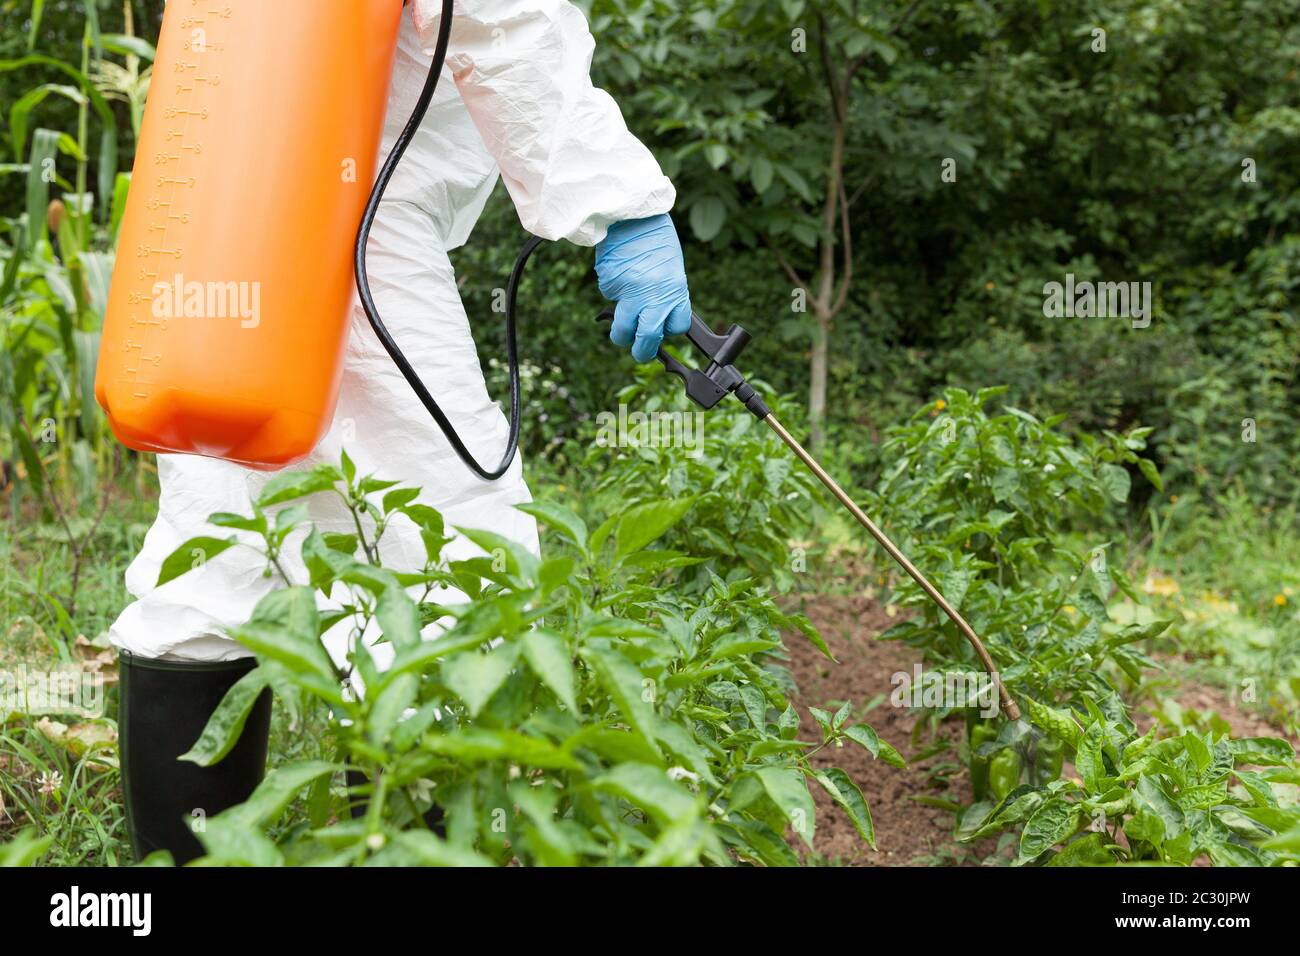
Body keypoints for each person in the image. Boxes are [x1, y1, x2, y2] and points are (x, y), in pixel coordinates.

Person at [113, 0, 693, 863]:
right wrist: (624, 210)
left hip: (218, 208)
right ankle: (421, 845)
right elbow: (505, 23)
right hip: (348, 219)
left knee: (213, 550)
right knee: (460, 559)